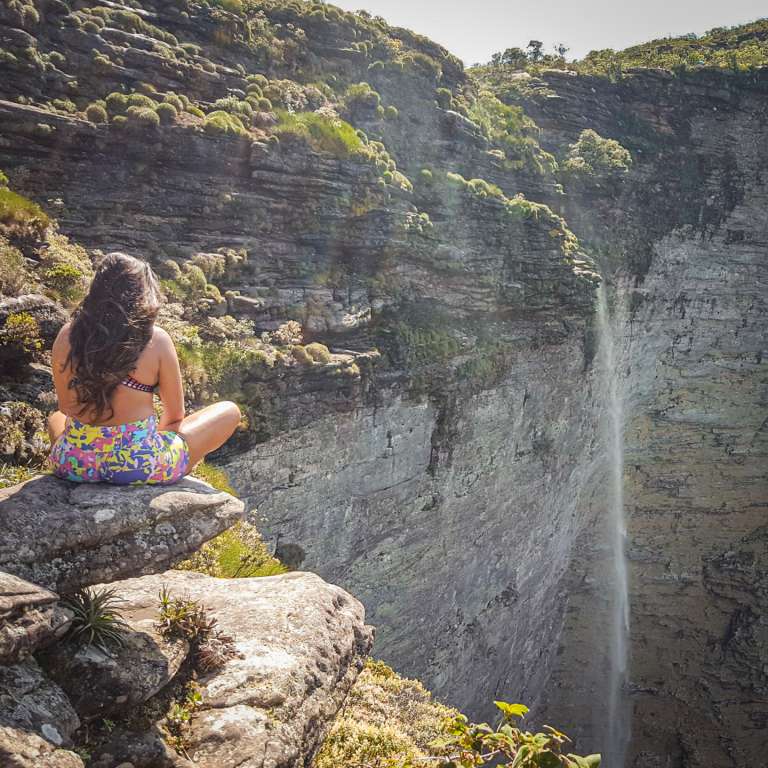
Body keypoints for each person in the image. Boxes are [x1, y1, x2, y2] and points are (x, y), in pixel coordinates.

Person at [47, 252, 241, 485]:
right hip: (139, 465)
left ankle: (88, 455)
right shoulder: (156, 340)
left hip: (74, 464)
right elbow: (174, 416)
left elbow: (66, 407)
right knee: (230, 411)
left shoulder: (68, 334)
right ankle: (175, 466)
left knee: (55, 417)